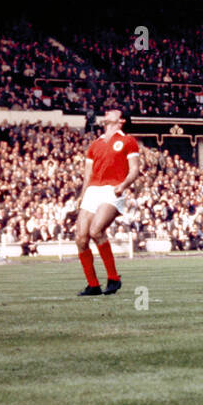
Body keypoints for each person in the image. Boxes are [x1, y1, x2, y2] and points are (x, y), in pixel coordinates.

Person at [75, 107, 141, 295]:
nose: (107, 113)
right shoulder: (95, 144)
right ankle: (93, 285)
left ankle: (114, 278)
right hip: (92, 191)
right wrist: (82, 195)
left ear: (121, 121)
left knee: (96, 231)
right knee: (80, 238)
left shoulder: (128, 141)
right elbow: (88, 174)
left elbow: (134, 169)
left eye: (113, 112)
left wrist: (123, 185)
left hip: (113, 189)